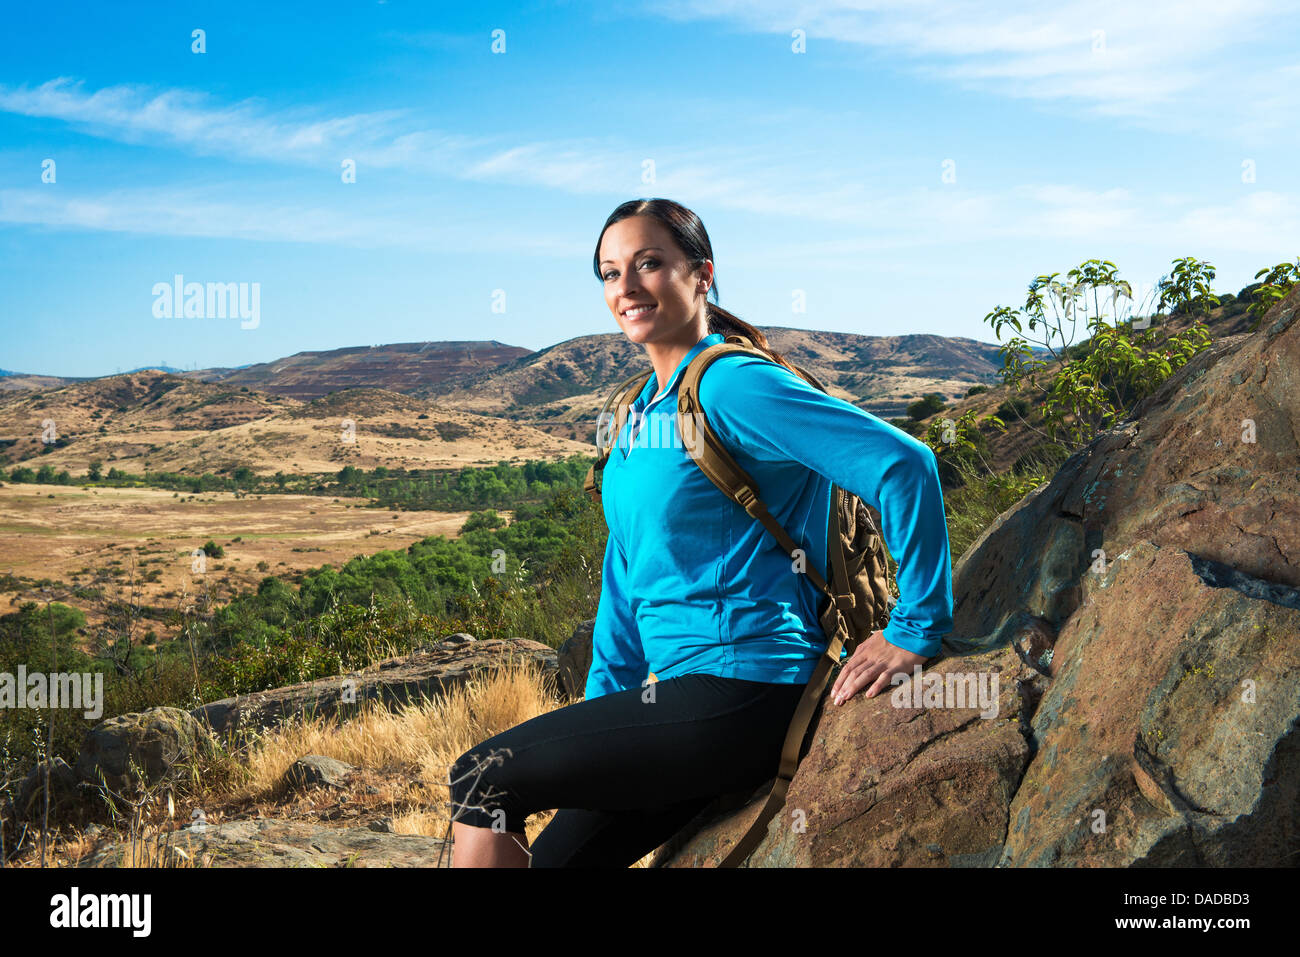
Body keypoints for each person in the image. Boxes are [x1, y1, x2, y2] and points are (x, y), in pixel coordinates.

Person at [448, 198, 954, 867]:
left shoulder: (733, 385)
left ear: (701, 274)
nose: (625, 286)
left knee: (483, 776)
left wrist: (915, 629)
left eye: (649, 263)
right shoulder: (638, 413)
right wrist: (604, 722)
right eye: (608, 273)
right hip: (677, 706)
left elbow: (904, 464)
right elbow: (626, 575)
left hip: (746, 693)